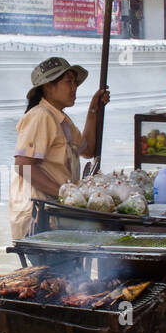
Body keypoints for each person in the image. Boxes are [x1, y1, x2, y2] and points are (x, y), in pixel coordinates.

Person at [9, 56, 109, 241]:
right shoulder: (40, 115)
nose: (74, 88)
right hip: (40, 218)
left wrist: (93, 109)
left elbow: (88, 150)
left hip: (58, 211)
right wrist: (66, 194)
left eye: (75, 83)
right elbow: (23, 165)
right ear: (47, 87)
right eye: (68, 82)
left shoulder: (61, 119)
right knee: (104, 227)